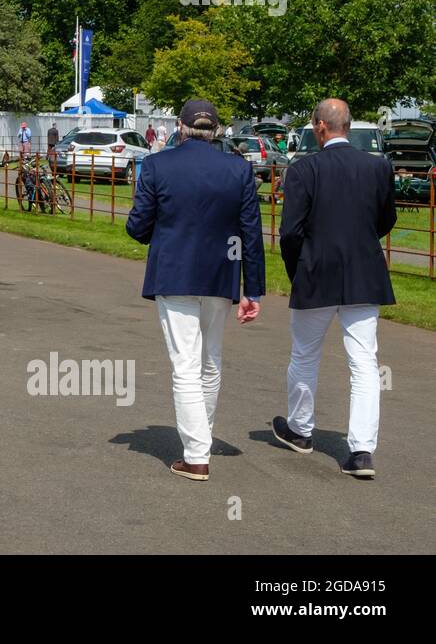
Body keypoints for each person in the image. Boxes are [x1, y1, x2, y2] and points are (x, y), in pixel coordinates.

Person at [125, 99, 265, 482]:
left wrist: (162, 229)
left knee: (185, 365)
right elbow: (251, 234)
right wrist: (254, 289)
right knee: (210, 362)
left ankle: (197, 453)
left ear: (180, 127)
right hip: (221, 273)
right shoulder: (239, 169)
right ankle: (200, 441)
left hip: (175, 273)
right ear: (216, 130)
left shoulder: (157, 165)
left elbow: (138, 227)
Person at [272, 98, 396, 479]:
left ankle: (301, 429)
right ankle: (361, 450)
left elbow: (290, 232)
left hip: (316, 270)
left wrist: (299, 269)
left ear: (320, 128)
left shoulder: (303, 169)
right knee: (364, 364)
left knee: (305, 355)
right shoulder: (378, 167)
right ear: (348, 125)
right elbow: (385, 218)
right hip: (364, 272)